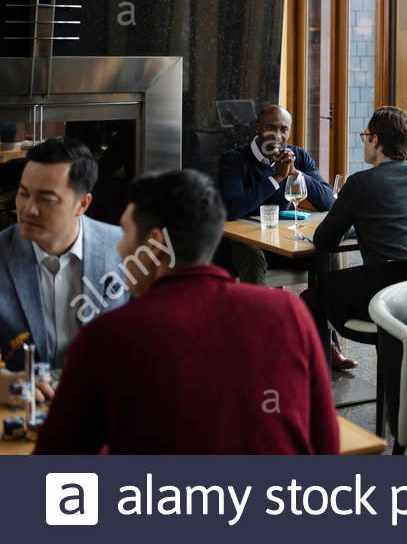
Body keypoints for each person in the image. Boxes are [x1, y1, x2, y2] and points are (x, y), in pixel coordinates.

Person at [35, 168, 339, 454]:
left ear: (155, 244)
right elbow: (326, 443)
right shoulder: (289, 313)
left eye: (125, 233)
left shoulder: (107, 336)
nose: (118, 248)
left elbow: (55, 464)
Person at [306, 106, 407, 370]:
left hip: (382, 295)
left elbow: (323, 241)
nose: (364, 142)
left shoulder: (360, 183)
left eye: (366, 136)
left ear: (375, 140)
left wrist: (353, 225)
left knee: (311, 297)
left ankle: (317, 377)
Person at [1, 138, 128, 400]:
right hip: (22, 405)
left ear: (82, 204)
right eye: (23, 194)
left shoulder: (123, 249)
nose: (27, 209)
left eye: (46, 199)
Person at [215, 103, 334, 284]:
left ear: (289, 132)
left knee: (328, 246)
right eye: (271, 127)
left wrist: (295, 173)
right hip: (244, 241)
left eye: (283, 129)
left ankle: (325, 302)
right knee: (253, 255)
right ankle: (256, 304)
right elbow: (231, 209)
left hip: (282, 240)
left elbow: (329, 202)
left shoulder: (298, 156)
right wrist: (277, 177)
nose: (277, 136)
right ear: (258, 128)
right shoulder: (234, 159)